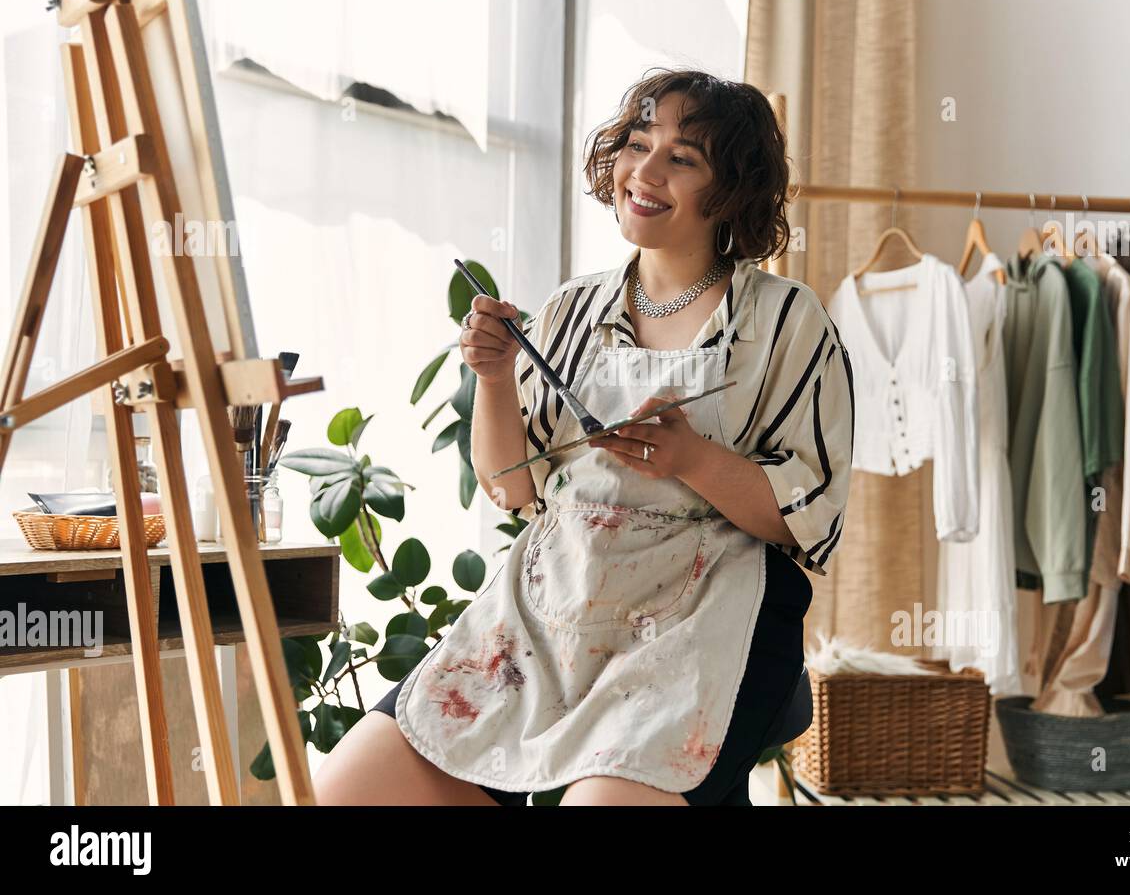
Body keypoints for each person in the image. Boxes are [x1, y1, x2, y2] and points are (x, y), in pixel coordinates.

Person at [315, 68, 854, 806]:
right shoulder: (572, 308)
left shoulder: (788, 321)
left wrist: (692, 458)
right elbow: (512, 487)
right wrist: (496, 379)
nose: (647, 170)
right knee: (343, 792)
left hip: (700, 620)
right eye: (638, 143)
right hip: (548, 612)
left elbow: (811, 514)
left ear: (730, 189)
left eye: (684, 157)